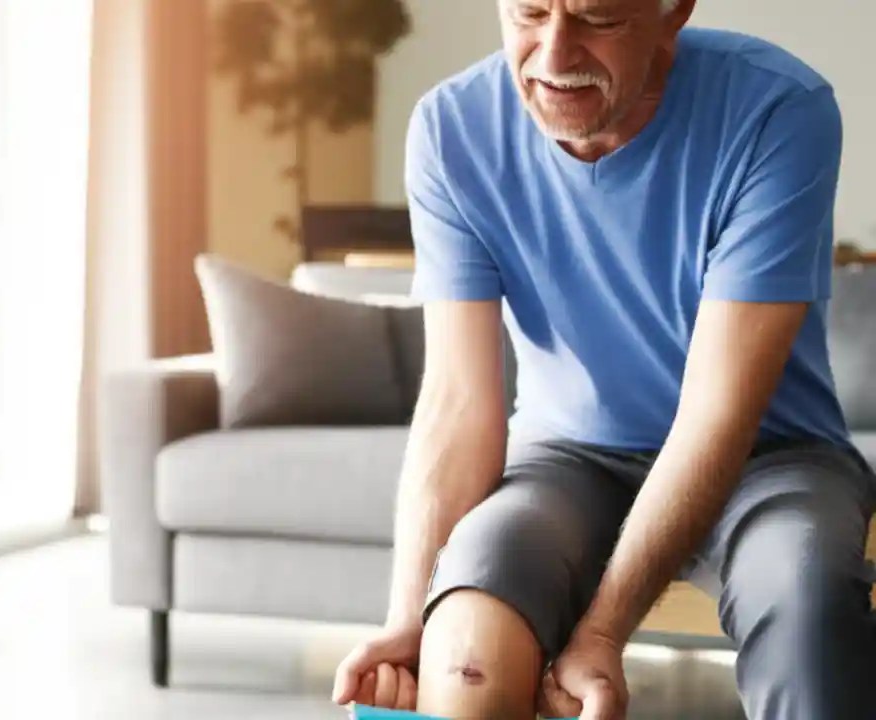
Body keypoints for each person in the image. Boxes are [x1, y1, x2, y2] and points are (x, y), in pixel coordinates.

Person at [331, 1, 876, 718]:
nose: (555, 55)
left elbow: (717, 415)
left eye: (599, 19)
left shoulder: (777, 109)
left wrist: (602, 633)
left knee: (806, 610)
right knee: (463, 650)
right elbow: (457, 403)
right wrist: (410, 621)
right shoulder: (450, 128)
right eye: (530, 12)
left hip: (770, 455)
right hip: (567, 456)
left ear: (671, 11)